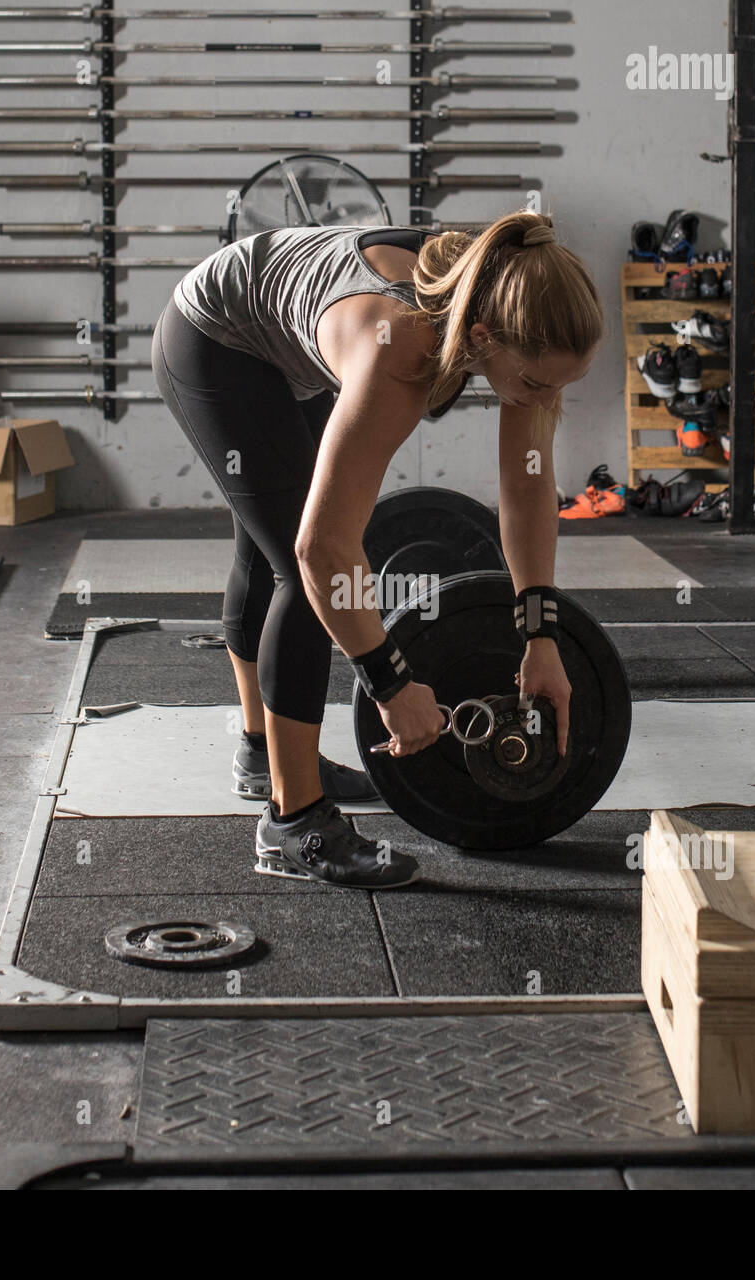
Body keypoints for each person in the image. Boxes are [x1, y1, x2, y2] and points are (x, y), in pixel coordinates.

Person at [151, 210, 602, 890]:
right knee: (301, 574)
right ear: (480, 338)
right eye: (538, 385)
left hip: (285, 335)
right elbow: (323, 552)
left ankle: (258, 752)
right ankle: (292, 820)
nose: (544, 400)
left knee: (270, 536)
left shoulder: (509, 294)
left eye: (560, 386)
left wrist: (541, 636)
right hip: (215, 339)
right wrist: (390, 682)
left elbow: (527, 484)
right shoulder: (402, 352)